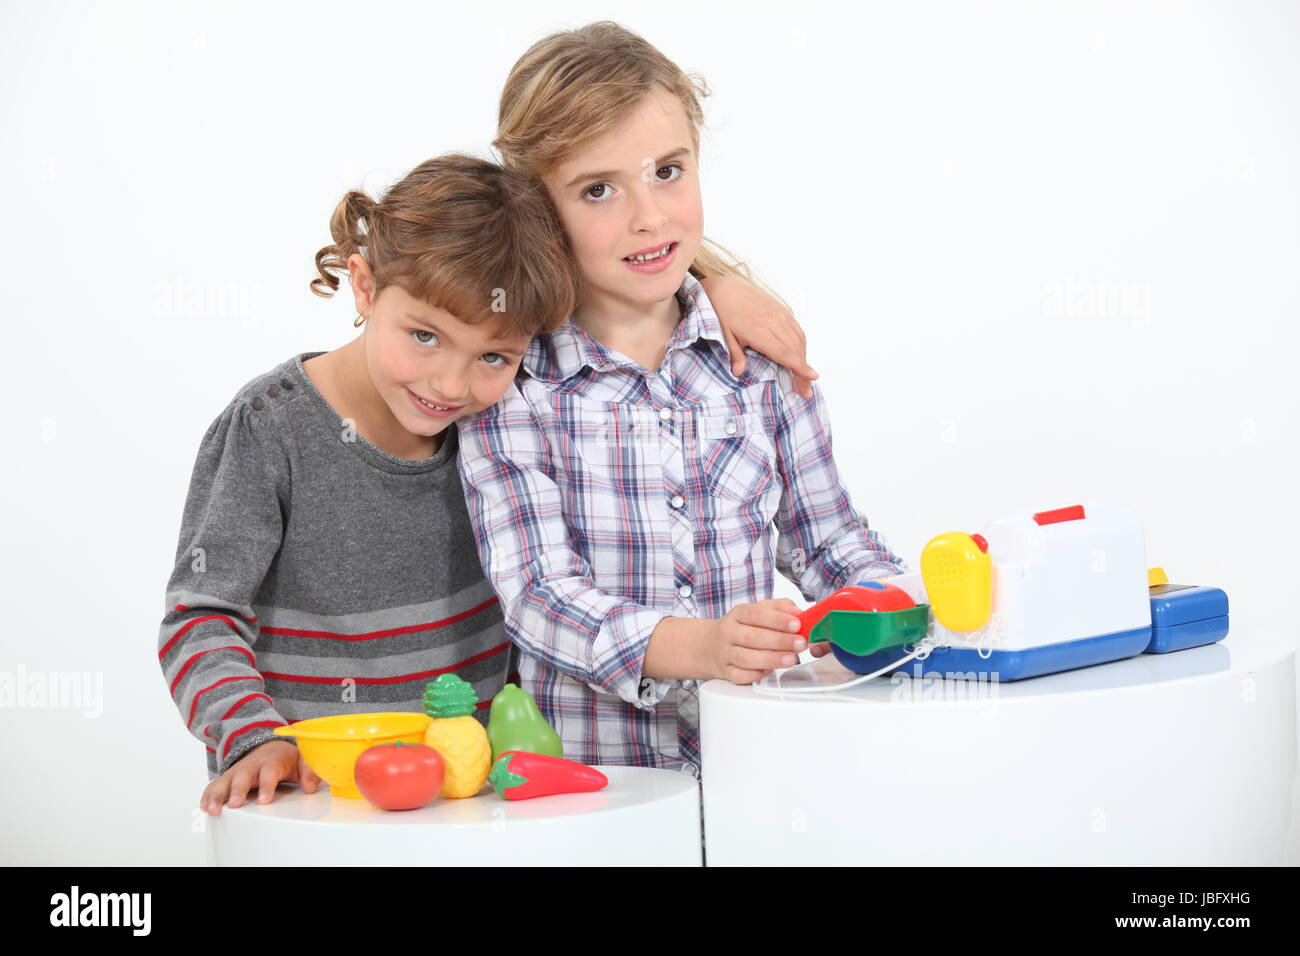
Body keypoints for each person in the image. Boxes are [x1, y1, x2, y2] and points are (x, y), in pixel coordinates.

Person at [159, 152, 817, 815]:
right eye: (423, 335)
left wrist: (714, 288)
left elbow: (593, 267)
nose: (449, 384)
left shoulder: (503, 420)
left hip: (470, 806)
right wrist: (252, 738)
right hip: (316, 802)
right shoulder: (268, 428)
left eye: (493, 356)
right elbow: (200, 615)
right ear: (363, 287)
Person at [456, 22, 908, 777]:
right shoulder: (514, 385)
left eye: (668, 171)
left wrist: (894, 603)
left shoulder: (759, 365)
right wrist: (701, 646)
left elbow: (827, 541)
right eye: (599, 190)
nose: (650, 217)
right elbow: (539, 597)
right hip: (596, 796)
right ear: (538, 211)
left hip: (753, 776)